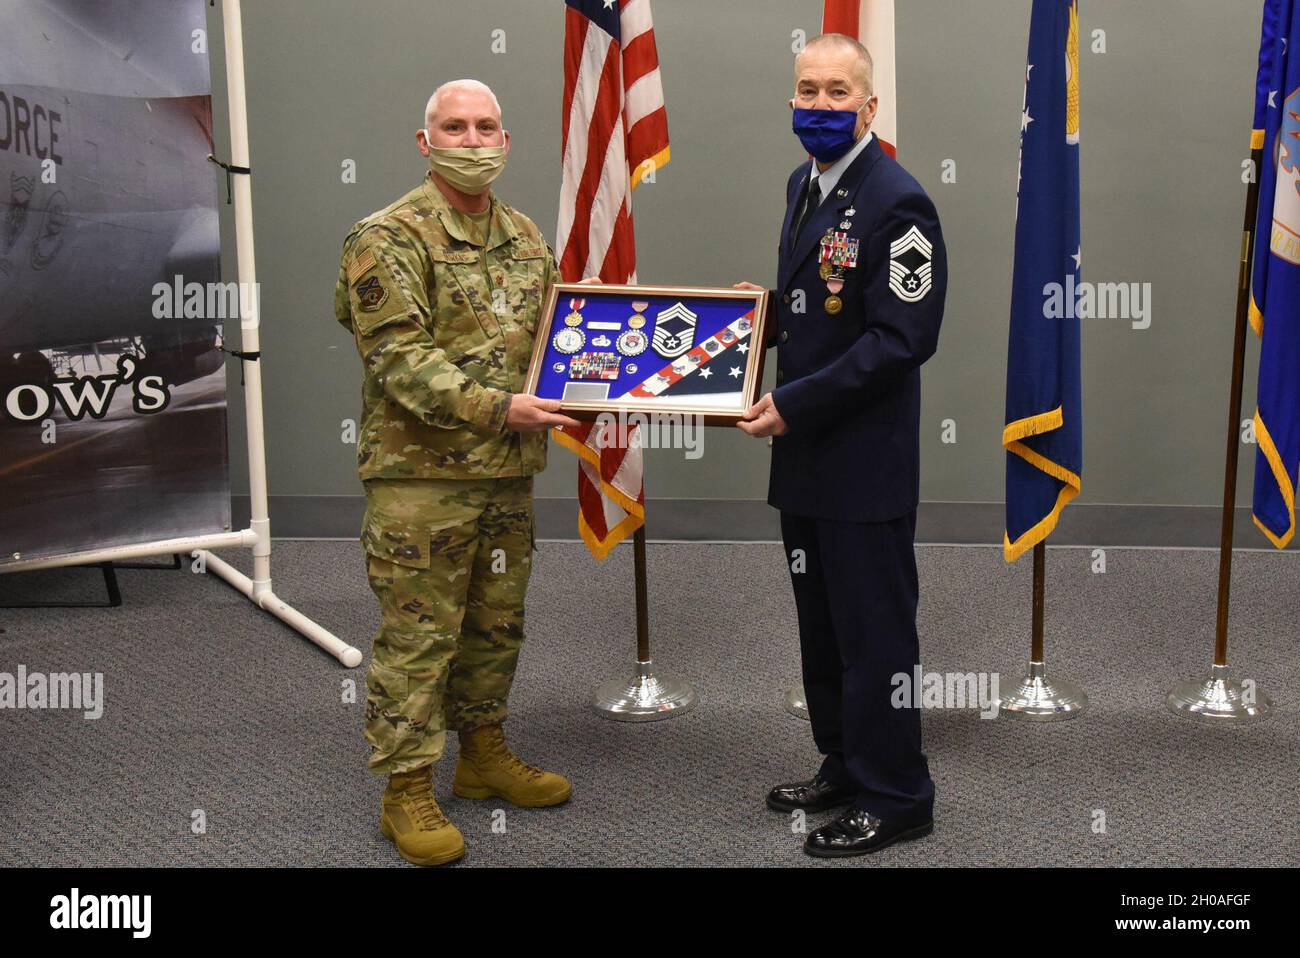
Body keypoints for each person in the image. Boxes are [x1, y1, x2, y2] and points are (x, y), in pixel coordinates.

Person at [334, 78, 587, 867]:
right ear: (425, 140)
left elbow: (567, 335)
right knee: (419, 635)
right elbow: (399, 359)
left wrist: (638, 376)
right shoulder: (387, 235)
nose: (472, 142)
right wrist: (496, 407)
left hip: (507, 475)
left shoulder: (524, 235)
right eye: (455, 127)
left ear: (505, 142)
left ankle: (481, 754)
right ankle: (406, 787)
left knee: (494, 622)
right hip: (422, 481)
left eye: (486, 128)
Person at [735, 33, 948, 857]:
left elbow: (900, 339)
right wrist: (764, 319)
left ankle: (898, 794)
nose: (818, 106)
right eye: (806, 90)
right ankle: (844, 762)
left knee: (875, 634)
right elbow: (825, 310)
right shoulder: (806, 183)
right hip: (807, 459)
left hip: (862, 461)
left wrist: (791, 402)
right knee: (822, 626)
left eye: (836, 93)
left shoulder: (899, 202)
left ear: (869, 105)